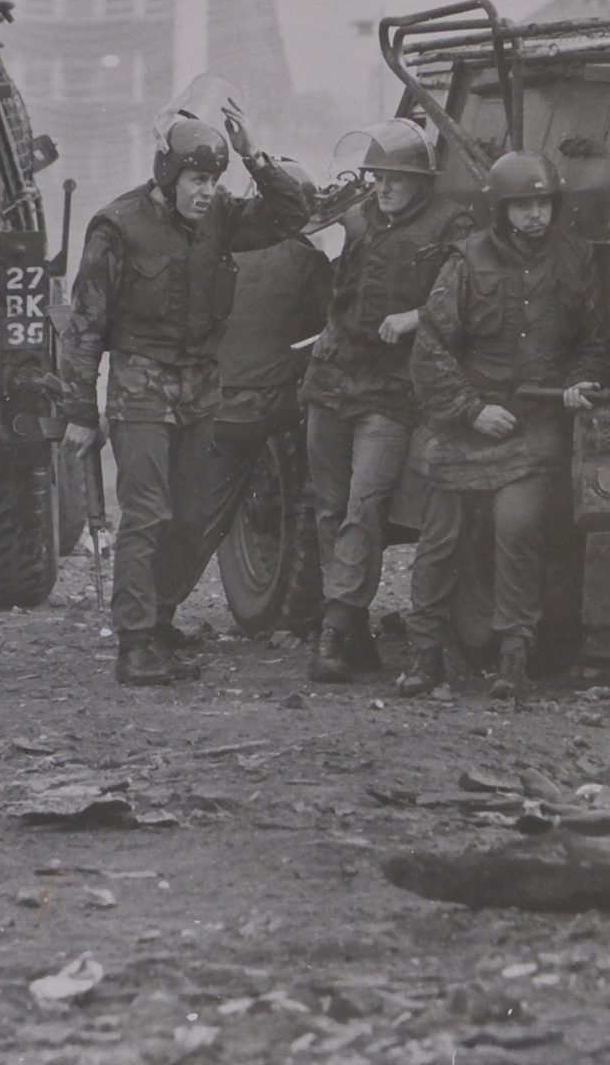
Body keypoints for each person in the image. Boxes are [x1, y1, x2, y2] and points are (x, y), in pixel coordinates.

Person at [58, 103, 309, 686]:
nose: (206, 191)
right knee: (147, 512)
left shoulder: (220, 216)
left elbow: (291, 216)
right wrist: (78, 412)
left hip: (200, 388)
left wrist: (254, 153)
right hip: (141, 386)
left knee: (195, 515)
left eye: (214, 181)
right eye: (197, 179)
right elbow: (85, 325)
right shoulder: (117, 226)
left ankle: (159, 619)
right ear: (169, 176)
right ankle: (134, 640)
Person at [402, 151, 610, 699]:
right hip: (466, 422)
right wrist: (472, 410)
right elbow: (430, 349)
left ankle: (514, 655)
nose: (535, 215)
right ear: (502, 210)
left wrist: (580, 383)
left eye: (543, 203)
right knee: (440, 536)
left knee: (517, 526)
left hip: (533, 425)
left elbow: (591, 339)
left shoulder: (573, 258)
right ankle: (424, 655)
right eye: (523, 205)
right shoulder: (467, 261)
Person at [299, 119, 475, 683]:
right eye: (379, 177)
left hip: (391, 389)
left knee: (363, 506)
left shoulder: (451, 224)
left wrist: (417, 317)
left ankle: (333, 631)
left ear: (422, 180)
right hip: (332, 379)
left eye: (396, 178)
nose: (384, 187)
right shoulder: (360, 216)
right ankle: (350, 629)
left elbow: (471, 293)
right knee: (329, 508)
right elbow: (312, 237)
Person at [171, 160, 334, 602]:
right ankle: (304, 606)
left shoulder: (222, 256)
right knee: (309, 497)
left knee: (199, 519)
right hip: (270, 409)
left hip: (211, 405)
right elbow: (322, 332)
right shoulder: (308, 261)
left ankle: (152, 614)